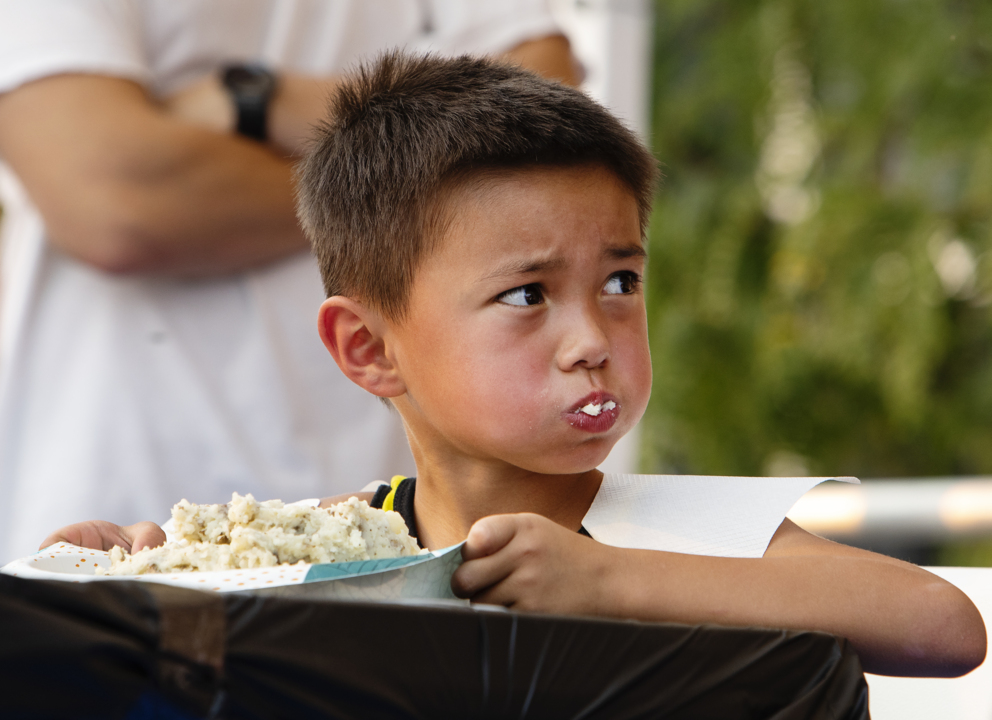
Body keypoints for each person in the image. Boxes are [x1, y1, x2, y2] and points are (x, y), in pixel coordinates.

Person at [43, 51, 987, 678]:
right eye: (527, 296)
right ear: (369, 350)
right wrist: (146, 570)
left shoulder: (690, 532)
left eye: (620, 281)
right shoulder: (354, 541)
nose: (593, 339)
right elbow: (241, 581)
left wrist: (605, 582)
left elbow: (943, 628)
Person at [0, 0, 578, 564]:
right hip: (113, 505)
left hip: (388, 527)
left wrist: (256, 98)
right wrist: (417, 171)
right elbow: (112, 199)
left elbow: (548, 127)